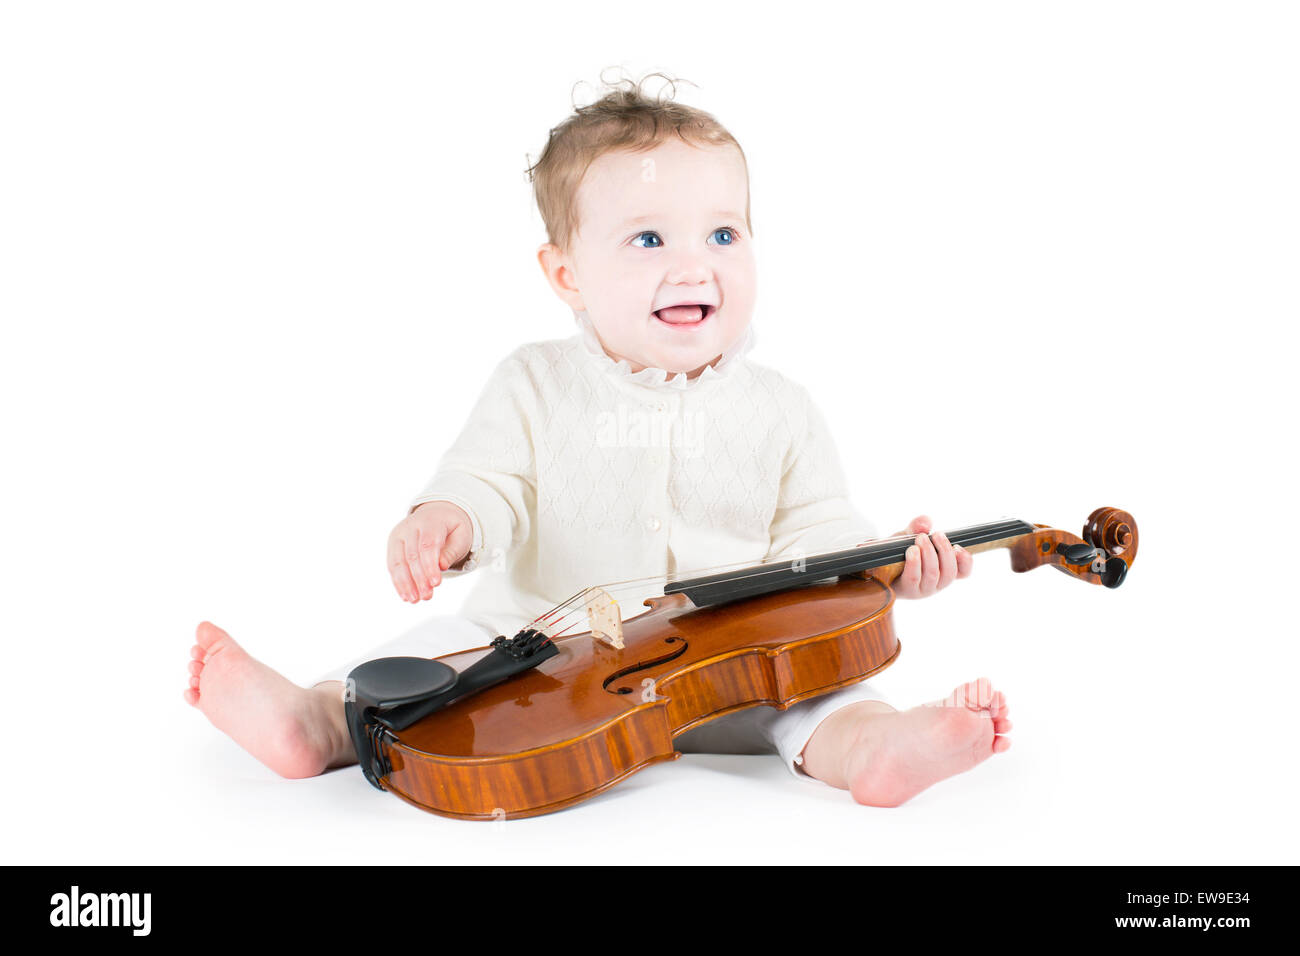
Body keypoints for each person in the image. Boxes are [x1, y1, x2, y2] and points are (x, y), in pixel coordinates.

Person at [185, 74, 1010, 809]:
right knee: (432, 660)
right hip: (538, 653)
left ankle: (877, 750)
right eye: (649, 240)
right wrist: (449, 518)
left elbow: (815, 533)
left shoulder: (782, 408)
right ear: (566, 275)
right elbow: (488, 481)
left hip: (733, 670)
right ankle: (317, 722)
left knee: (826, 695)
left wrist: (877, 565)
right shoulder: (533, 382)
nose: (694, 266)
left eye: (723, 235)